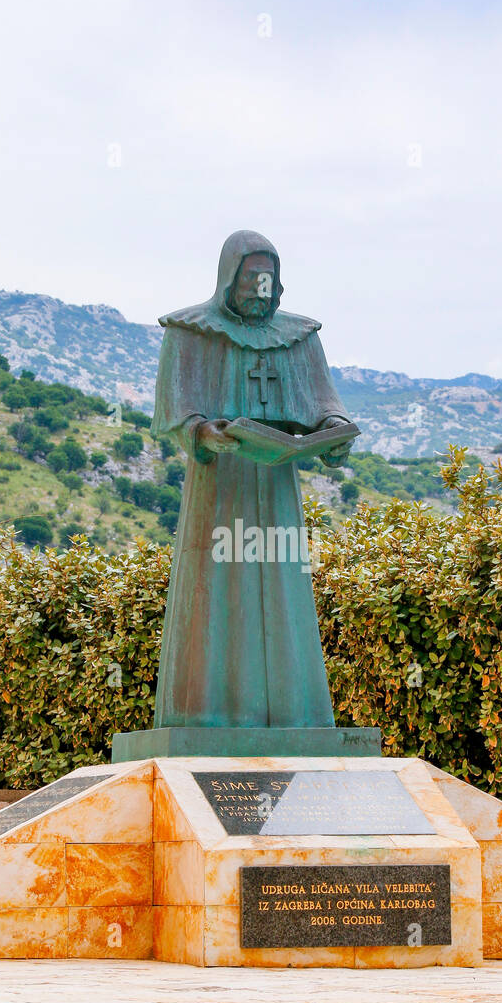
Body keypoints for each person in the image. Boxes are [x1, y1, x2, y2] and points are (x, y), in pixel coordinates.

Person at [150, 229, 354, 728]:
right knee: (215, 596)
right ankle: (207, 718)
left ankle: (292, 716)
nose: (261, 290)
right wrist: (202, 431)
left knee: (284, 590)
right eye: (251, 280)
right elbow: (177, 411)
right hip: (219, 487)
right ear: (228, 279)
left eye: (269, 280)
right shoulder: (190, 333)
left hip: (277, 486)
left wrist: (333, 432)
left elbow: (324, 403)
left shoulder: (300, 336)